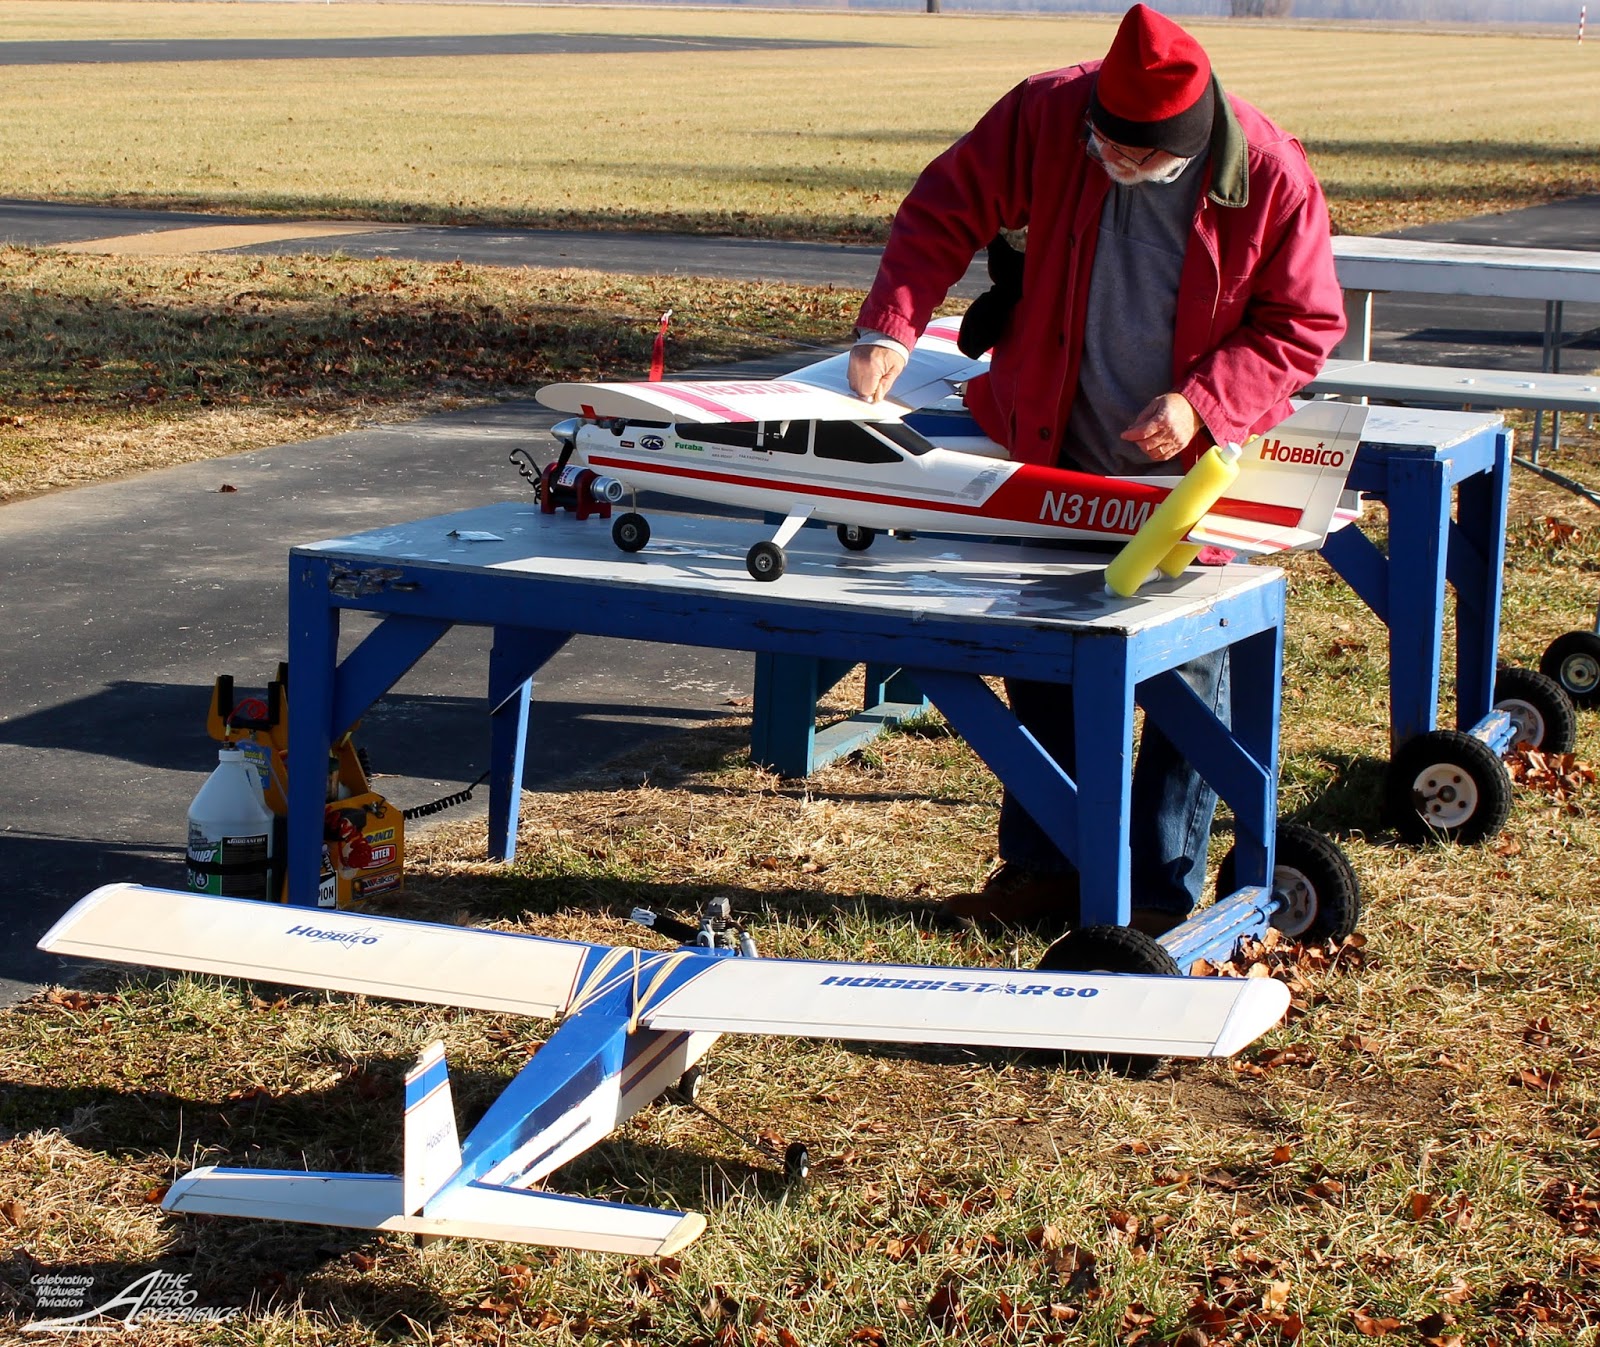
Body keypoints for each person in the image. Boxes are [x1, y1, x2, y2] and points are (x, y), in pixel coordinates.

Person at [848, 3, 1346, 935]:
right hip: (1053, 442)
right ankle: (1045, 869)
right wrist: (891, 326)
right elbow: (943, 204)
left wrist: (1202, 402)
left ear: (1189, 143)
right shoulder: (1047, 112)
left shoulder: (1272, 174)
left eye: (1135, 156)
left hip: (1189, 472)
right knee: (1043, 651)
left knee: (1184, 673)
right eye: (1102, 145)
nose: (1112, 163)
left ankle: (1156, 895)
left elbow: (1304, 322)